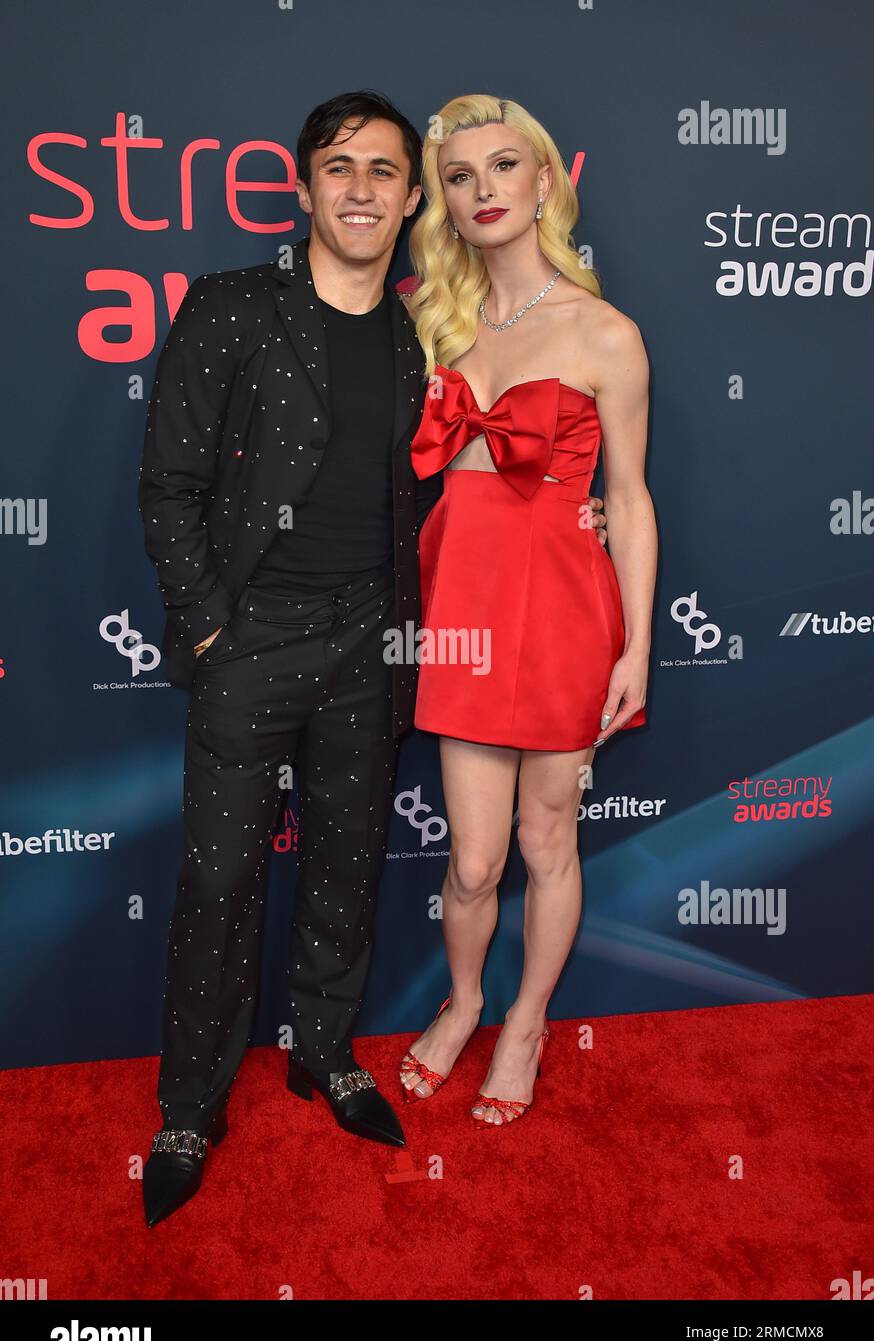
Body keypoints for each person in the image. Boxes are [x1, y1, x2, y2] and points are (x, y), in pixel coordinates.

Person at [138, 89, 612, 1226]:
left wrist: (575, 511)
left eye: (385, 173)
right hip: (249, 640)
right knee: (216, 880)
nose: (361, 189)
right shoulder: (234, 306)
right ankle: (190, 1110)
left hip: (378, 641)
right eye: (337, 167)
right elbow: (170, 487)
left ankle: (323, 1049)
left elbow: (508, 454)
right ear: (304, 186)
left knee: (348, 865)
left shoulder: (427, 332)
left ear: (411, 201)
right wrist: (211, 627)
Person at [398, 94, 656, 1126]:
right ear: (445, 201)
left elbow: (631, 499)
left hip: (561, 611)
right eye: (460, 177)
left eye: (504, 168)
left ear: (544, 183)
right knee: (471, 859)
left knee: (547, 842)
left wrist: (637, 643)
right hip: (459, 609)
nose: (483, 191)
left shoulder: (605, 334)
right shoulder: (427, 323)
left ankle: (525, 1022)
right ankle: (463, 1000)